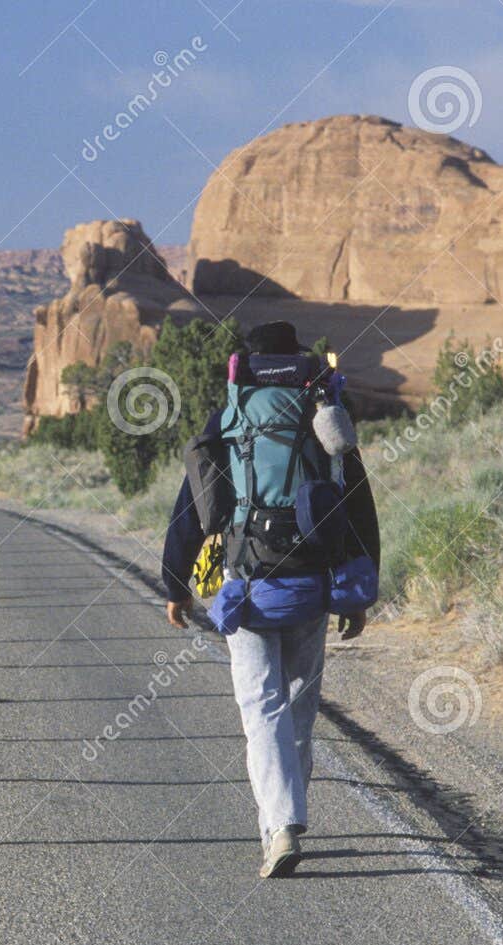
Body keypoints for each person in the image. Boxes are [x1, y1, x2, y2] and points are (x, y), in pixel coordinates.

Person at [162, 321, 379, 878]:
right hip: (313, 581)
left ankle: (278, 825)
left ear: (248, 363)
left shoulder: (231, 418)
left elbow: (193, 504)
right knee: (300, 704)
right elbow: (357, 505)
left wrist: (176, 582)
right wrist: (359, 591)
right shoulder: (321, 410)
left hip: (250, 579)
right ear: (297, 358)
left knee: (262, 708)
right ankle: (287, 815)